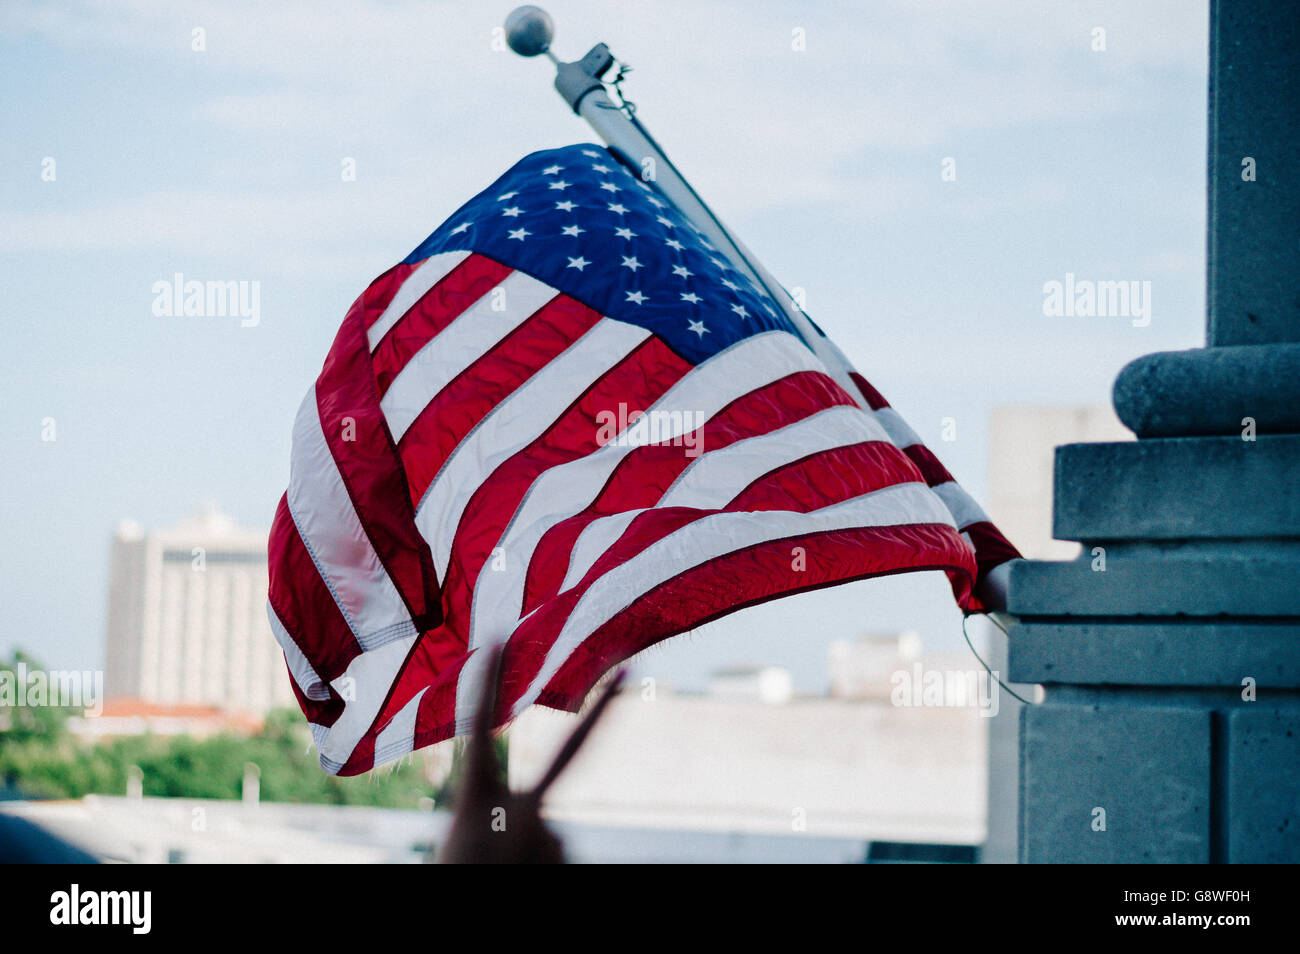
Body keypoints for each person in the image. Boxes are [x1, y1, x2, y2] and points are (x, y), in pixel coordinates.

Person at [435, 646, 625, 864]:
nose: (561, 841)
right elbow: (566, 754)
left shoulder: (494, 834)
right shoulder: (485, 831)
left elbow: (566, 755)